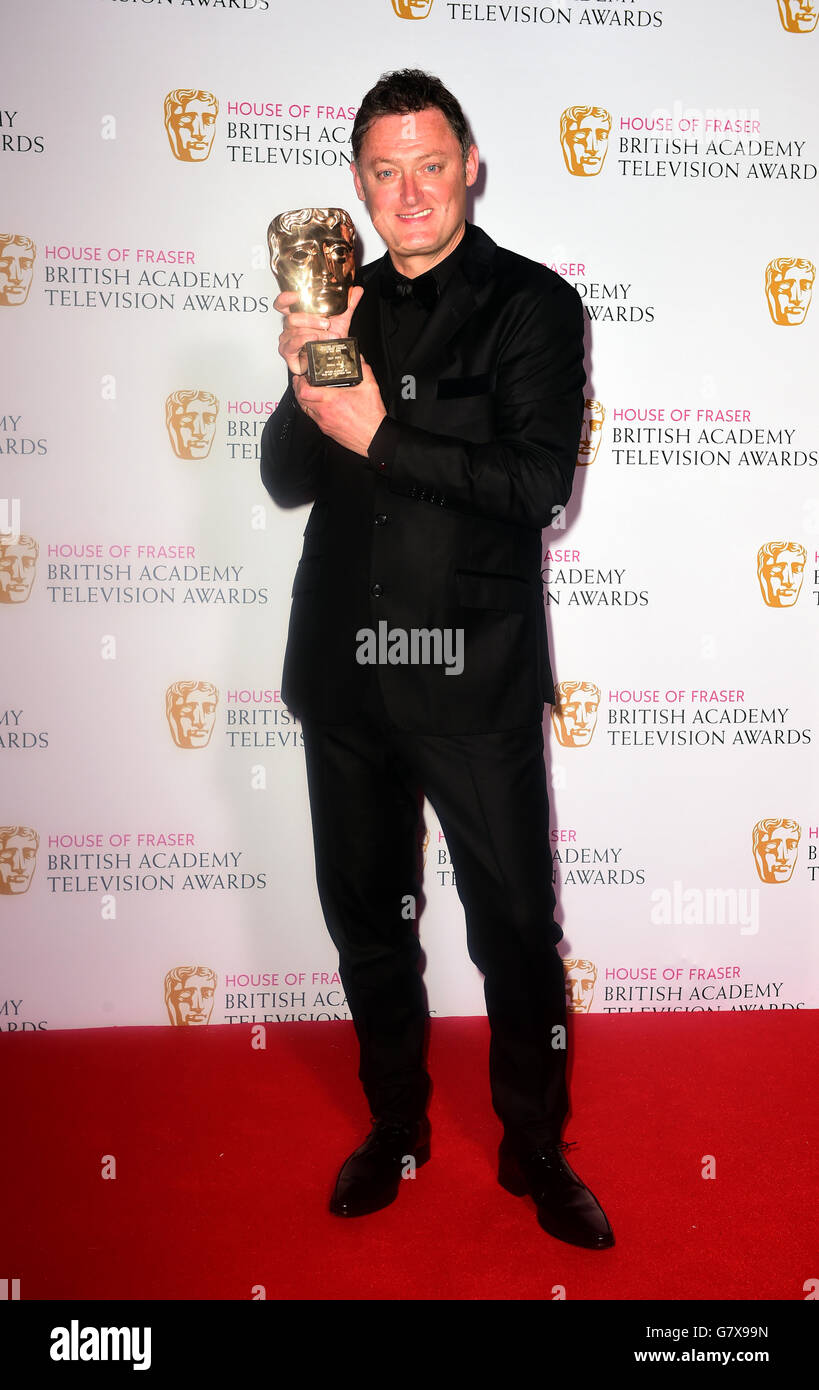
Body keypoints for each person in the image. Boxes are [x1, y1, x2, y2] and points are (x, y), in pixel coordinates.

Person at [260, 68, 614, 1250]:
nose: (407, 191)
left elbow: (534, 488)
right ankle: (396, 1126)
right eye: (382, 170)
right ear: (357, 182)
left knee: (514, 927)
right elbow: (286, 480)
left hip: (475, 677)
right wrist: (304, 369)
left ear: (469, 164)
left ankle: (535, 1147)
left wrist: (381, 431)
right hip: (345, 674)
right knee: (368, 918)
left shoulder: (533, 307)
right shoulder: (342, 299)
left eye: (429, 164)